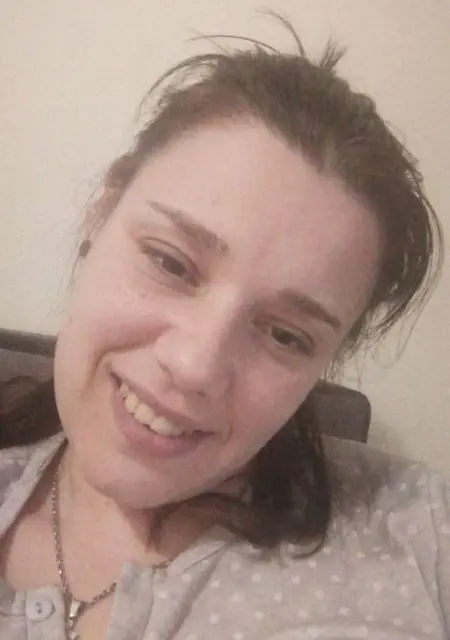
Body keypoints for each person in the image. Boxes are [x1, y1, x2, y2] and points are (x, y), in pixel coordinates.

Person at [0, 18, 448, 640]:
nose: (195, 366)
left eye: (285, 335)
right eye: (171, 263)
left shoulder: (418, 530)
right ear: (100, 216)